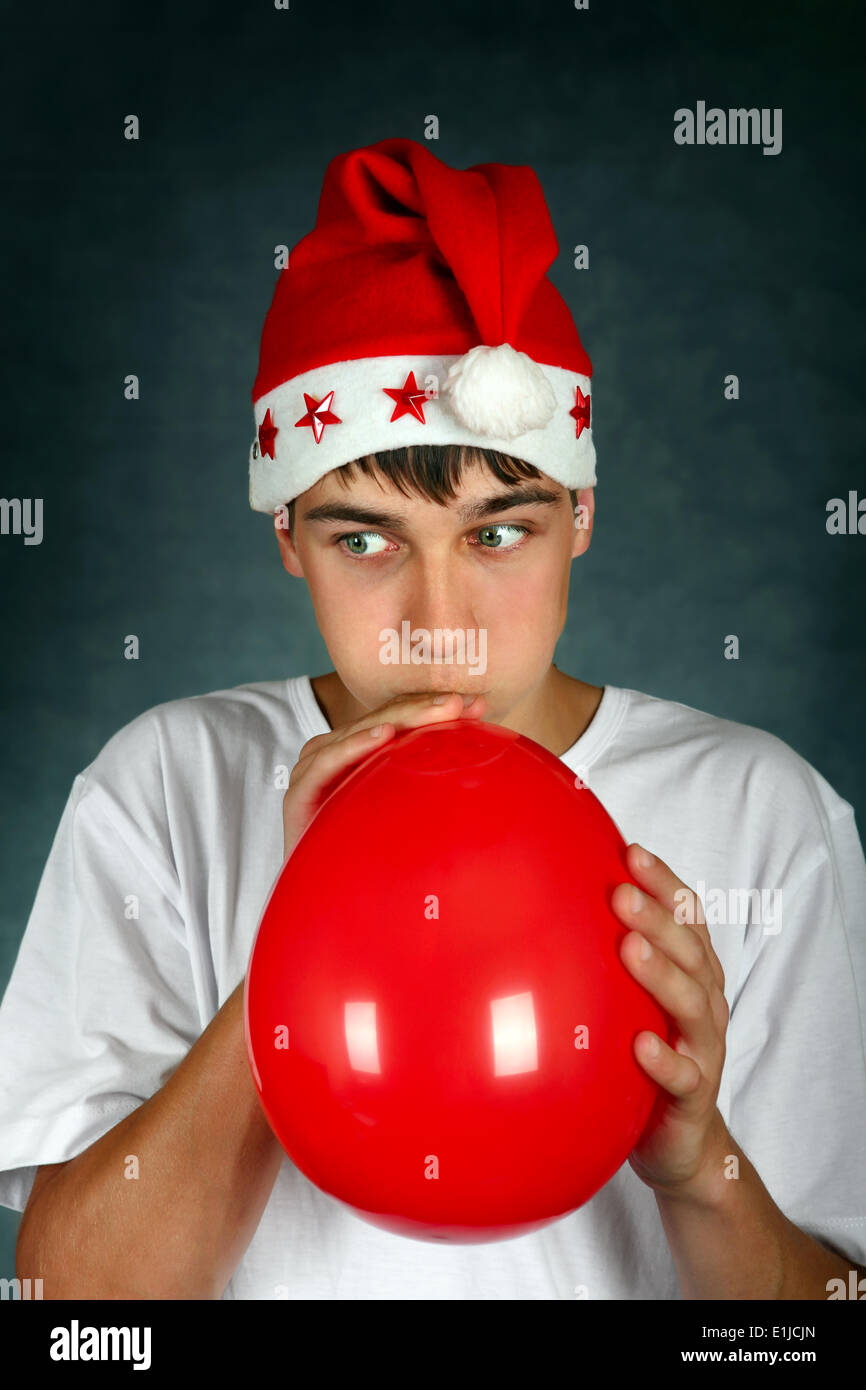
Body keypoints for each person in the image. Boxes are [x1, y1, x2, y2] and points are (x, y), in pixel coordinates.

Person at [2, 137, 865, 1301]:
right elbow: (74, 1311)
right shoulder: (163, 785)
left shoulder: (764, 812)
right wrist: (300, 935)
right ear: (285, 540)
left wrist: (699, 1165)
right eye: (363, 539)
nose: (438, 620)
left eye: (497, 532)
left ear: (583, 514)